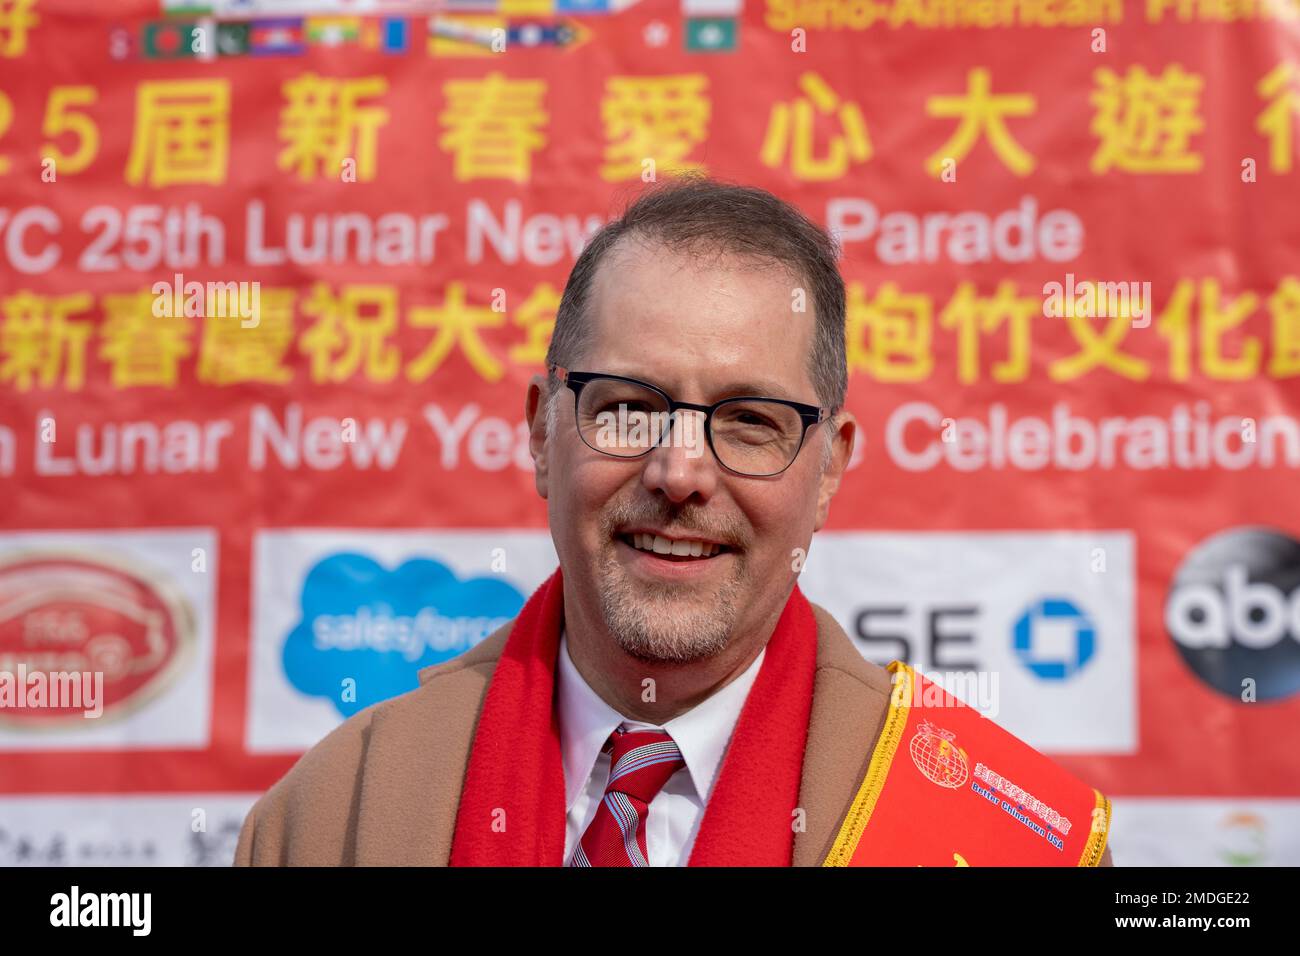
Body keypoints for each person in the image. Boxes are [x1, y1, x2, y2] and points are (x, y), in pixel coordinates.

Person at [235, 176, 1114, 867]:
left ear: (829, 468)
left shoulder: (1000, 838)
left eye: (749, 421)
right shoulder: (329, 823)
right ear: (545, 431)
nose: (679, 472)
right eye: (626, 407)